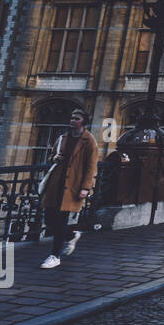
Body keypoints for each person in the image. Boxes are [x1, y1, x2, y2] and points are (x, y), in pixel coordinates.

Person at [39, 108, 99, 270]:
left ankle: (55, 256)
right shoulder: (63, 137)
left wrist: (86, 187)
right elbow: (52, 155)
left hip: (72, 186)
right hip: (56, 183)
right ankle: (72, 235)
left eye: (76, 118)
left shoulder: (89, 141)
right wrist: (55, 157)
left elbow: (91, 166)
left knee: (61, 220)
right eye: (71, 117)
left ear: (83, 122)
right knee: (50, 219)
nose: (72, 120)